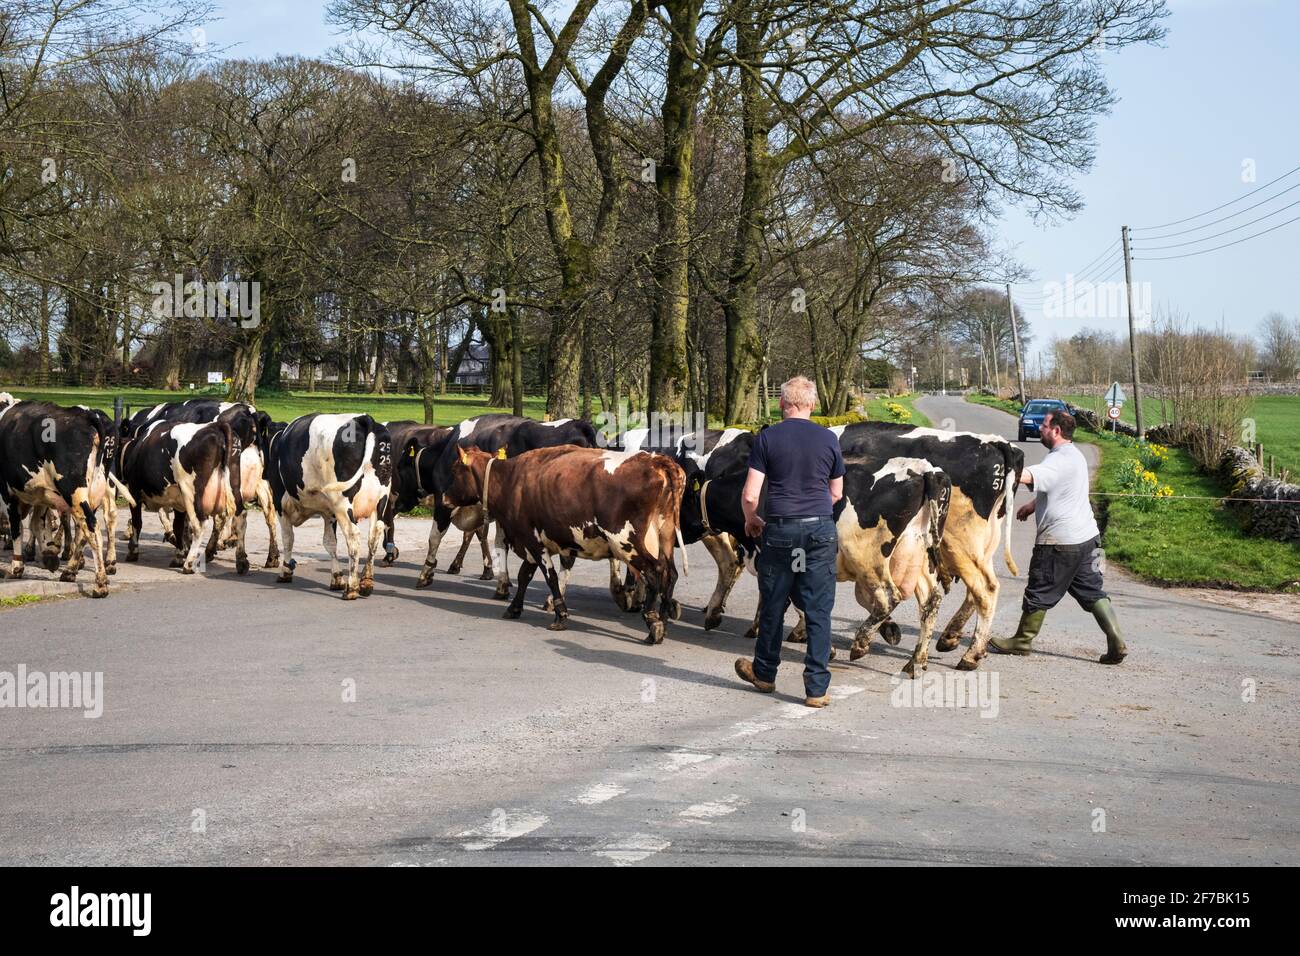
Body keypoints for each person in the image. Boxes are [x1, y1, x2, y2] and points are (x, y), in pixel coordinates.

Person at [734, 376, 845, 707]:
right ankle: (816, 689)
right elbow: (837, 492)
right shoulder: (828, 439)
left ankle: (765, 674)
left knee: (773, 604)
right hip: (820, 531)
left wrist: (752, 519)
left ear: (782, 403)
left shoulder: (768, 438)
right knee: (818, 609)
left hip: (781, 531)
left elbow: (751, 494)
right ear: (812, 404)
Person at [991, 409, 1127, 664]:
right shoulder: (1073, 455)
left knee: (1039, 589)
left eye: (1044, 425)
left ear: (1055, 431)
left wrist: (997, 470)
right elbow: (1062, 486)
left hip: (1060, 543)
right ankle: (1116, 639)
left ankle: (1022, 640)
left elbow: (1029, 475)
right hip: (1089, 540)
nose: (1040, 428)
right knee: (1092, 591)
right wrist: (1033, 505)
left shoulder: (1058, 460)